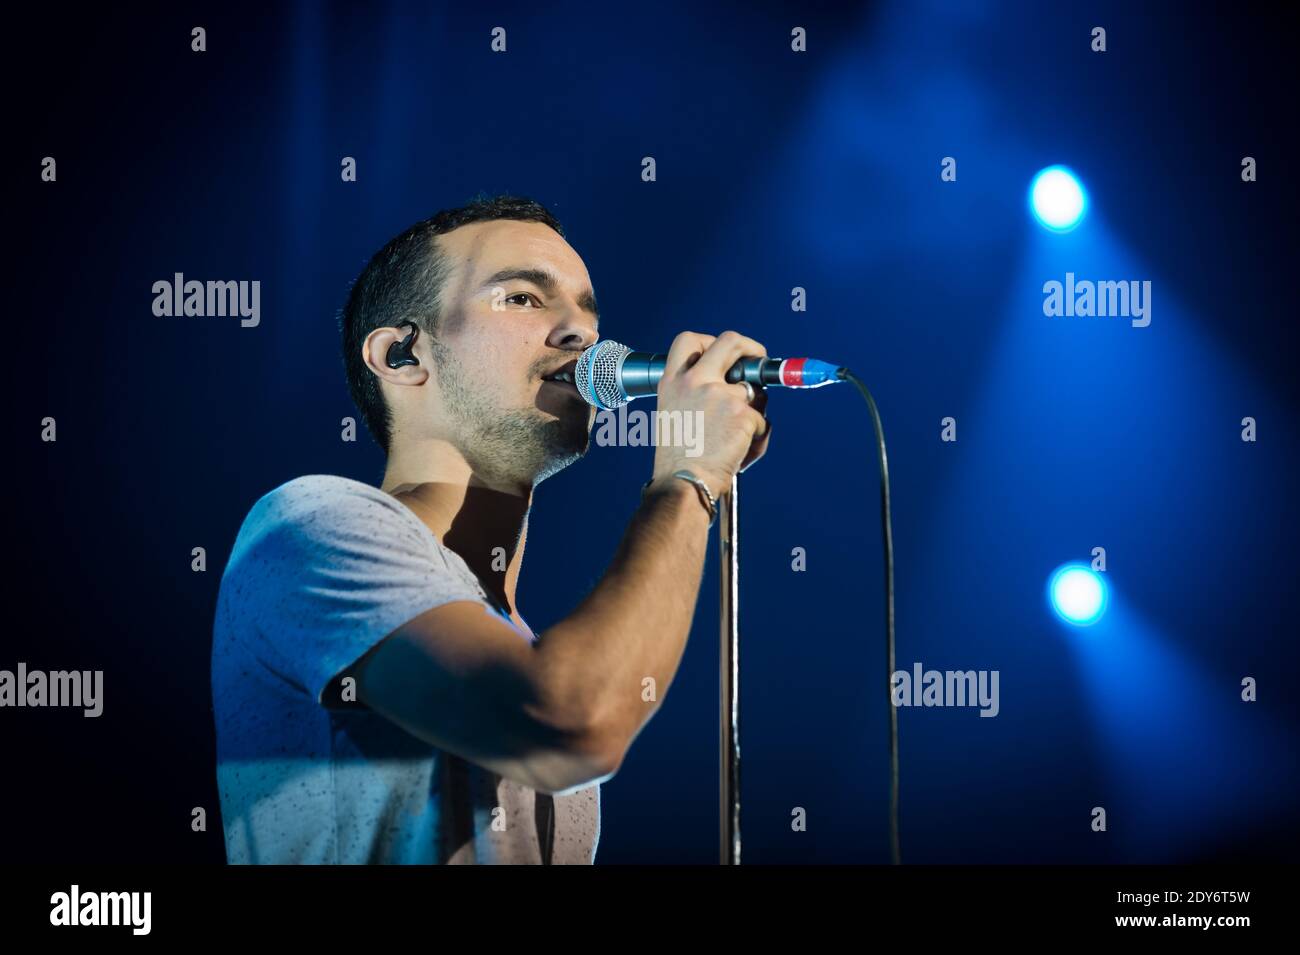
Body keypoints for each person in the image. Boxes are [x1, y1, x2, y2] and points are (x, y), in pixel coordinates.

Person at [211, 194, 772, 863]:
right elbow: (570, 725)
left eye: (588, 313)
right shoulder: (310, 525)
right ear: (399, 355)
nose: (579, 334)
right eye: (521, 299)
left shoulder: (526, 643)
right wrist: (688, 474)